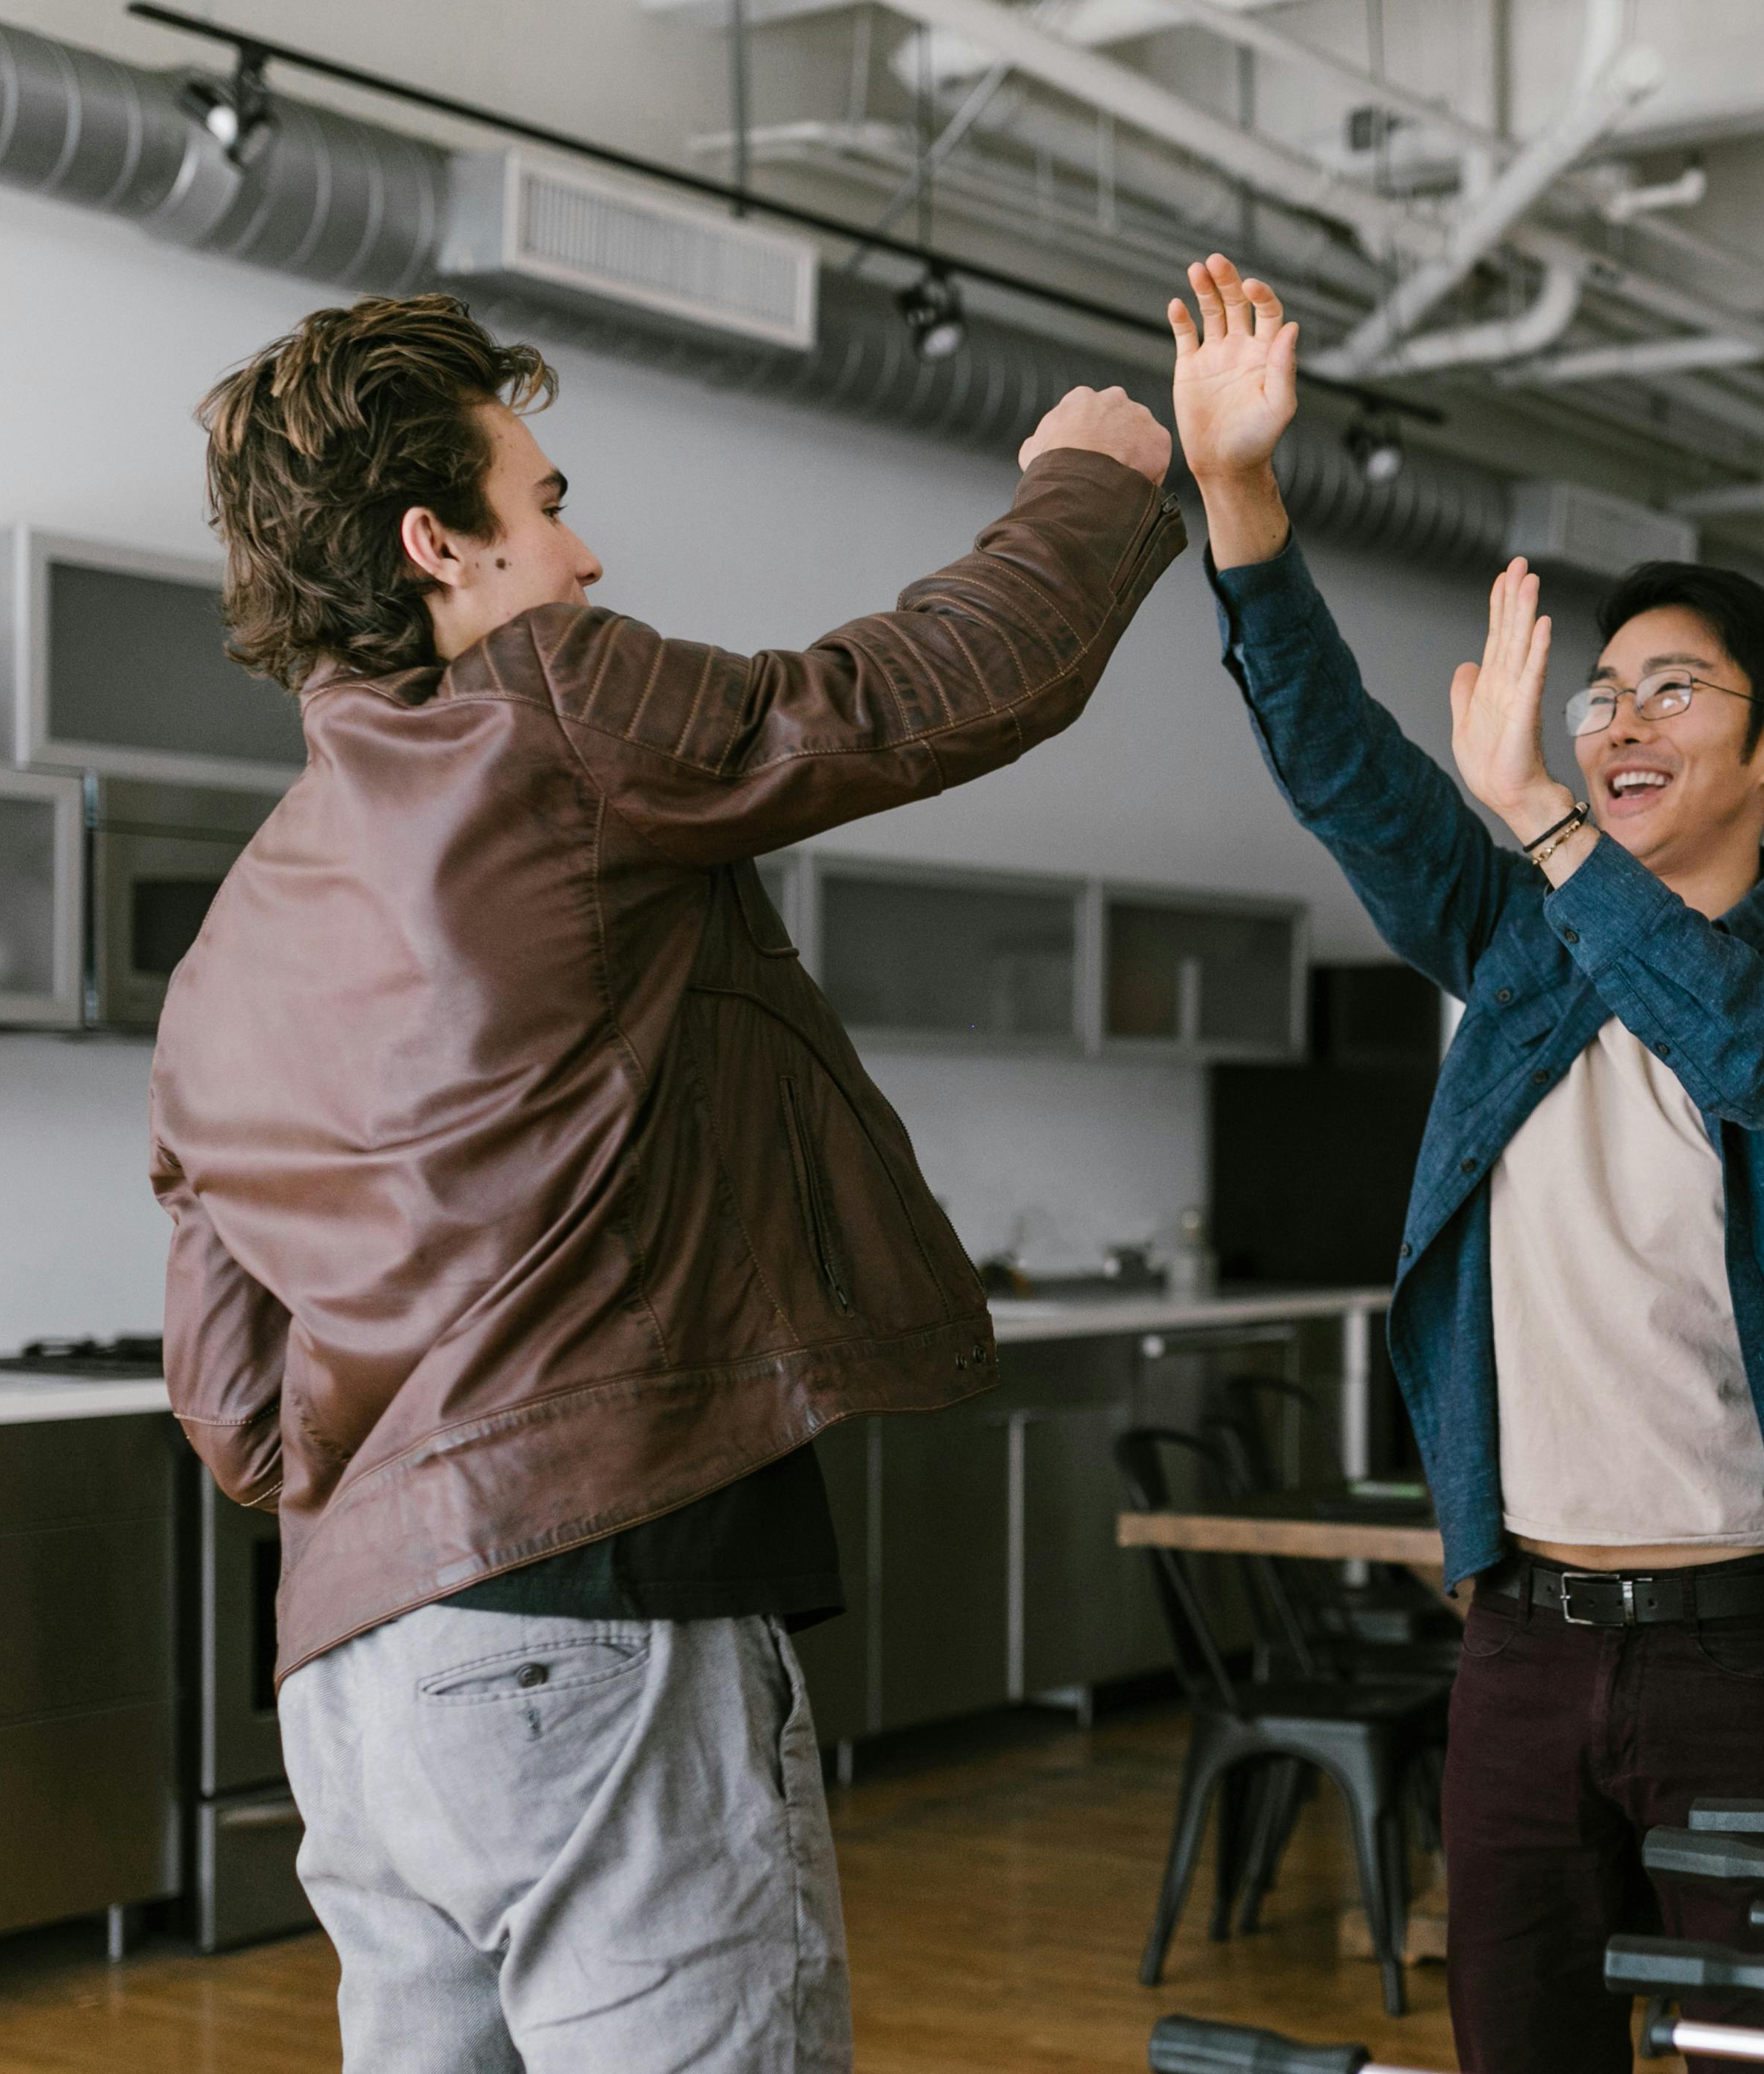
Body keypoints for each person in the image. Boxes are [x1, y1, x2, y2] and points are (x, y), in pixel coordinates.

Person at [151, 292, 1181, 2073]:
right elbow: (890, 700)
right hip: (590, 1607)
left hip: (356, 1685)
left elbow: (239, 1415)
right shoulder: (537, 714)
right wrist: (1094, 486)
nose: (582, 547)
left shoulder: (233, 934)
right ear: (440, 547)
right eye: (543, 502)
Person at [1166, 255, 1764, 2074]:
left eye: (1675, 693)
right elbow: (1341, 764)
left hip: (1744, 1654)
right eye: (1602, 695)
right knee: (1519, 2053)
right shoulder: (1515, 941)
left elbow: (1745, 1054)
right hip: (1518, 1638)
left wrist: (1537, 813)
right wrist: (1240, 496)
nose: (1618, 723)